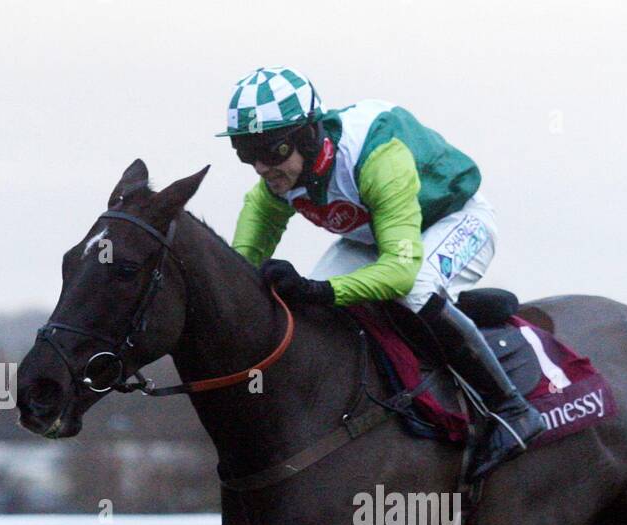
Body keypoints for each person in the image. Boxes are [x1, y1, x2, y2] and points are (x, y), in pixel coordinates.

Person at [221, 65, 542, 478]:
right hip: (375, 235)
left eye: (273, 151)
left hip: (457, 220)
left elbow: (400, 271)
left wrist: (318, 288)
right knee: (314, 314)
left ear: (305, 135)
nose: (263, 167)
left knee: (413, 288)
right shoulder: (275, 184)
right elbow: (240, 265)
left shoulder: (378, 158)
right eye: (248, 153)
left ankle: (511, 408)